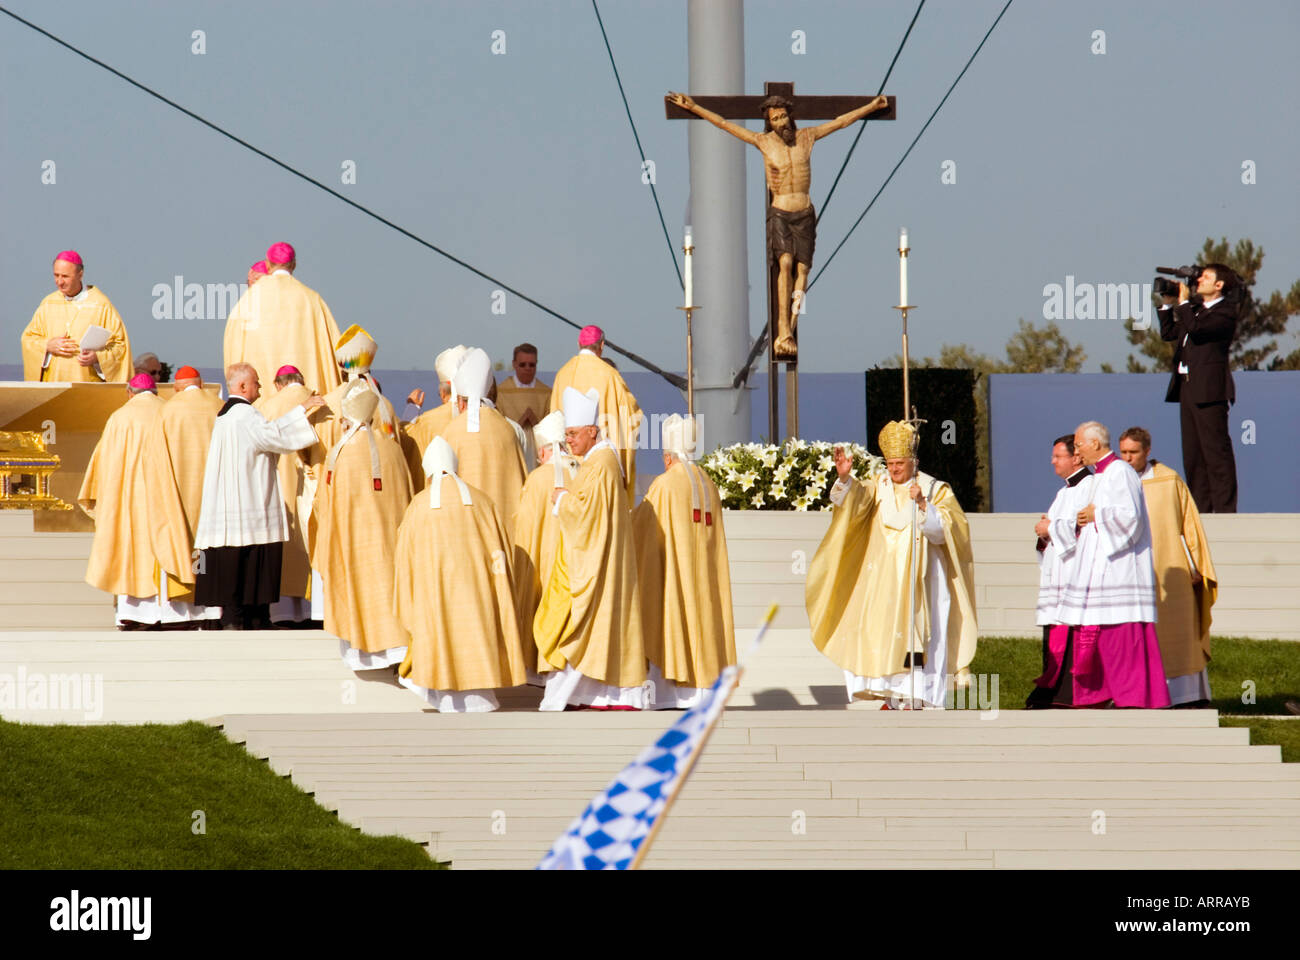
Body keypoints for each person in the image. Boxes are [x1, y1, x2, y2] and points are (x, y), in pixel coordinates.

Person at [667, 91, 890, 359]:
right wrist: (694, 107)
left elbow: (841, 121)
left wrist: (871, 106)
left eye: (783, 116)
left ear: (790, 116)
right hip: (781, 212)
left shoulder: (807, 137)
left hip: (805, 212)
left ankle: (790, 330)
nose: (781, 122)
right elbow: (725, 124)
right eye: (775, 118)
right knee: (785, 264)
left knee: (803, 270)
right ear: (769, 122)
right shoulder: (764, 142)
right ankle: (783, 330)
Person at [806, 421, 979, 709]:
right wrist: (846, 479)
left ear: (914, 462)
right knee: (883, 632)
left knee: (922, 634)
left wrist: (925, 506)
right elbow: (854, 504)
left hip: (923, 580)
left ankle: (918, 695)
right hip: (883, 579)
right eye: (889, 463)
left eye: (899, 463)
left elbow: (952, 530)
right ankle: (891, 694)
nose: (894, 469)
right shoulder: (879, 485)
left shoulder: (934, 488)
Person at [533, 387, 649, 711]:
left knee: (578, 627)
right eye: (567, 434)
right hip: (600, 557)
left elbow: (587, 516)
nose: (569, 440)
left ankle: (577, 694)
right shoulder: (600, 460)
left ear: (591, 431)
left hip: (594, 562)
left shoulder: (600, 464)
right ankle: (596, 695)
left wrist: (561, 500)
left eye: (572, 434)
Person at [393, 437, 529, 712]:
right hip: (477, 596)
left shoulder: (419, 506)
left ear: (429, 472)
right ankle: (481, 696)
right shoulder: (482, 501)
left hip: (435, 595)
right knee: (477, 630)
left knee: (438, 631)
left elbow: (404, 560)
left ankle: (445, 694)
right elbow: (501, 552)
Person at [193, 362, 325, 630]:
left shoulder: (225, 416)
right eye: (256, 382)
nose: (260, 387)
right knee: (251, 561)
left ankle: (234, 620)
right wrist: (302, 409)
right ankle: (253, 619)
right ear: (242, 386)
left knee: (231, 566)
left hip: (229, 502)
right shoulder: (245, 415)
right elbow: (273, 436)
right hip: (250, 501)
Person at [1047, 422, 1170, 708]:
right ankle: (1101, 694)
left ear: (1094, 444)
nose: (1076, 452)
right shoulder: (1101, 476)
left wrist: (1097, 514)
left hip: (1119, 571)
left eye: (1078, 445)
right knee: (1097, 636)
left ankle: (1131, 696)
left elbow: (1132, 518)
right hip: (1099, 570)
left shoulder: (1120, 472)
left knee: (1121, 639)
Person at [633, 414, 736, 709]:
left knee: (671, 616)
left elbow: (644, 527)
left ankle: (670, 694)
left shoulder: (665, 485)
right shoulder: (708, 483)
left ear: (668, 458)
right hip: (704, 575)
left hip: (674, 576)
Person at [309, 380, 413, 669]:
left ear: (345, 417)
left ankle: (363, 653)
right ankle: (398, 654)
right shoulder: (393, 450)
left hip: (354, 542)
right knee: (389, 591)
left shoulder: (339, 454)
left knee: (359, 590)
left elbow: (326, 504)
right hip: (391, 541)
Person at [1118, 427, 1218, 707]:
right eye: (1123, 452)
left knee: (1179, 631)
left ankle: (1188, 696)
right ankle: (1137, 694)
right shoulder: (1114, 482)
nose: (1127, 458)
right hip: (1130, 572)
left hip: (1171, 568)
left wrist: (1195, 564)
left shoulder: (1168, 480)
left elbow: (1188, 525)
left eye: (1133, 453)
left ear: (1147, 452)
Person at [78, 374, 166, 628]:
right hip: (161, 500)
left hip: (127, 500)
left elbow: (102, 462)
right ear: (156, 392)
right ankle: (164, 612)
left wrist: (101, 498)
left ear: (129, 393)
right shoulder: (167, 412)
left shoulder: (119, 418)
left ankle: (131, 613)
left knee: (130, 550)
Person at [142, 365, 224, 629]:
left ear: (177, 387)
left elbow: (153, 459)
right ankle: (211, 609)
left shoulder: (167, 411)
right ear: (200, 384)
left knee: (181, 544)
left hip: (178, 493)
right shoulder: (219, 407)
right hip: (216, 494)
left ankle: (181, 612)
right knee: (210, 549)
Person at [1158, 263, 1240, 513]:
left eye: (1206, 277)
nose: (1199, 280)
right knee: (1193, 455)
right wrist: (1167, 303)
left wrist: (1182, 304)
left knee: (1216, 453)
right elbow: (1169, 332)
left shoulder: (1225, 313)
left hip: (1210, 391)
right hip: (1187, 388)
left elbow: (1197, 330)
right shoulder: (1193, 310)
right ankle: (1201, 510)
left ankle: (1225, 512)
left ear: (1219, 285)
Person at [256, 365, 329, 625]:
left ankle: (283, 612)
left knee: (286, 547)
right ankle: (315, 610)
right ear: (301, 380)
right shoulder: (322, 400)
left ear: (278, 384)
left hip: (279, 489)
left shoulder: (267, 407)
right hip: (315, 486)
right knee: (314, 542)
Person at [223, 241, 344, 397]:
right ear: (293, 264)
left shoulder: (248, 300)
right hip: (308, 397)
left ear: (267, 264)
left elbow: (233, 347)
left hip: (261, 400)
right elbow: (334, 347)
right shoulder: (311, 299)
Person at [1026, 434, 1094, 708]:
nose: (1052, 461)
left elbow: (1083, 528)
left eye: (1058, 456)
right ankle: (1053, 692)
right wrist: (1044, 535)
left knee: (1070, 635)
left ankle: (1069, 694)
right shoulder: (1063, 492)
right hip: (1057, 575)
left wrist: (1050, 528)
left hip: (1073, 575)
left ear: (1076, 457)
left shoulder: (1089, 487)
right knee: (1054, 634)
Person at [513, 411, 580, 684]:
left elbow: (525, 531)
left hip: (544, 564)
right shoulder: (584, 472)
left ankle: (540, 666)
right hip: (578, 566)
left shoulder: (538, 478)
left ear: (542, 451)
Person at [549, 326, 643, 504]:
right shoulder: (609, 375)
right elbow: (629, 416)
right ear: (602, 346)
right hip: (601, 468)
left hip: (567, 469)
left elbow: (554, 419)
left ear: (578, 344)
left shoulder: (562, 374)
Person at [439, 348, 528, 533]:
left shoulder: (451, 431)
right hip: (503, 528)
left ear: (462, 402)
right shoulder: (507, 429)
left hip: (463, 529)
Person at [22, 250, 132, 382]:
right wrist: (47, 345)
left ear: (80, 274)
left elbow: (120, 346)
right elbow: (28, 339)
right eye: (56, 275)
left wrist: (98, 357)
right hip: (53, 383)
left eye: (65, 276)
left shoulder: (101, 305)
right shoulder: (48, 303)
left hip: (87, 385)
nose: (59, 282)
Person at [403, 344, 470, 455]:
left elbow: (403, 444)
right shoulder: (488, 417)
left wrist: (411, 410)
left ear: (443, 393)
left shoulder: (427, 422)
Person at [497, 342, 550, 466]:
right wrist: (519, 424)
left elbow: (551, 429)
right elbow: (497, 426)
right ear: (514, 364)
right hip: (512, 452)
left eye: (532, 365)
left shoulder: (546, 393)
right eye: (523, 364)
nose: (527, 368)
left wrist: (536, 423)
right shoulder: (501, 392)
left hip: (538, 454)